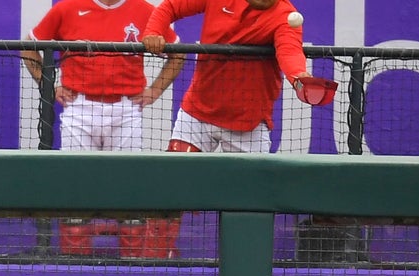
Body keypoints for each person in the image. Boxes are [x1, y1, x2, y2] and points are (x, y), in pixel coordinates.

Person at [141, 0, 311, 257]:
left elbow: (289, 52)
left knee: (250, 206)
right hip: (197, 112)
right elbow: (170, 7)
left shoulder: (285, 16)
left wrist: (300, 77)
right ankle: (155, 263)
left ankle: (243, 266)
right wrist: (154, 31)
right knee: (171, 187)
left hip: (248, 123)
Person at [21, 0, 185, 258]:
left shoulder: (145, 11)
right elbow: (28, 48)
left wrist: (155, 90)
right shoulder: (68, 8)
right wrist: (49, 85)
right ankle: (75, 264)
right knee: (76, 188)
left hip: (125, 108)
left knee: (128, 190)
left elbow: (179, 52)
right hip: (79, 107)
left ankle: (133, 267)